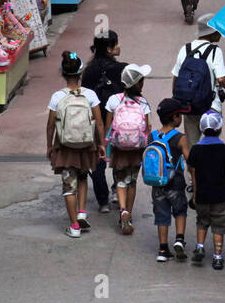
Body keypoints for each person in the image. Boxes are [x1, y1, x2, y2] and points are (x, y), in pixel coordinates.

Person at [45, 51, 105, 238]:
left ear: (63, 73)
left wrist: (50, 146)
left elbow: (50, 125)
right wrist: (101, 143)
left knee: (68, 185)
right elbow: (99, 122)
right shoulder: (90, 95)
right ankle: (81, 213)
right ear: (80, 73)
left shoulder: (57, 97)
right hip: (87, 145)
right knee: (82, 177)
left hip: (65, 147)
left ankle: (74, 227)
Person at [171, 13, 225, 146]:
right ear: (211, 32)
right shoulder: (214, 51)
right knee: (212, 146)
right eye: (218, 30)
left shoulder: (185, 49)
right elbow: (222, 79)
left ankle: (192, 167)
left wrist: (180, 100)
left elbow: (176, 78)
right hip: (211, 106)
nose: (221, 33)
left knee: (191, 147)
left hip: (190, 106)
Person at [104, 63, 152, 236]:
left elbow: (109, 127)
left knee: (120, 180)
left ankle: (122, 210)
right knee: (132, 181)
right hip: (136, 149)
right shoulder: (143, 103)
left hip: (118, 148)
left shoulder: (113, 100)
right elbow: (147, 128)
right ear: (138, 84)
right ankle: (128, 215)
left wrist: (106, 147)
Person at [81, 31, 126, 216]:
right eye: (116, 44)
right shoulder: (123, 69)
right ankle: (118, 190)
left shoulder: (89, 71)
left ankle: (103, 201)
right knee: (119, 155)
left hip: (95, 120)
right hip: (118, 120)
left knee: (98, 159)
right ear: (109, 49)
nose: (119, 46)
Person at [188, 110, 225, 270]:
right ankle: (217, 256)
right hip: (220, 195)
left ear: (201, 129)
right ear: (220, 129)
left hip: (202, 194)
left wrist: (194, 193)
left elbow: (193, 172)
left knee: (202, 222)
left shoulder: (195, 150)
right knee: (219, 225)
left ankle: (200, 246)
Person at [149, 99, 192, 261]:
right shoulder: (180, 137)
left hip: (157, 183)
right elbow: (189, 160)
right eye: (179, 115)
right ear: (175, 118)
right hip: (176, 183)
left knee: (161, 215)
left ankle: (162, 249)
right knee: (180, 210)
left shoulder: (152, 136)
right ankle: (179, 239)